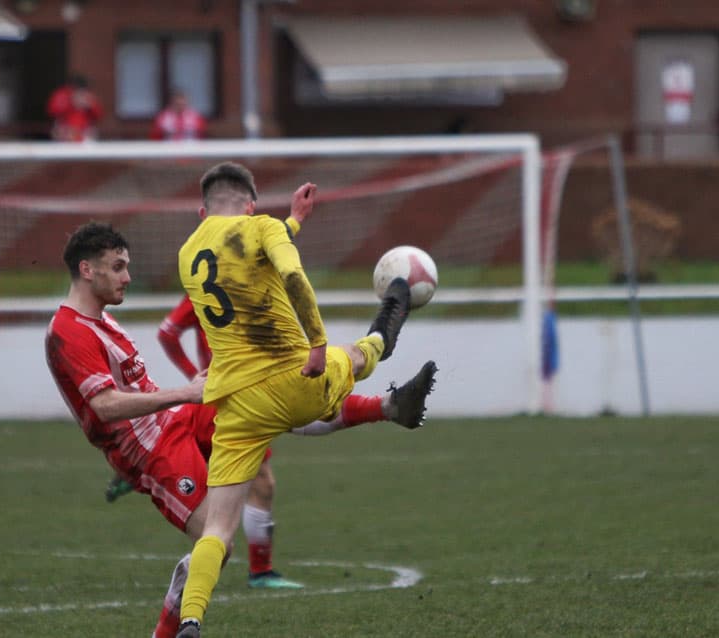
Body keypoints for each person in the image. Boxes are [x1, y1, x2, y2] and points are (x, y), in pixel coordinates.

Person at [46, 222, 436, 638]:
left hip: (173, 418)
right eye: (118, 266)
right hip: (147, 449)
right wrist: (187, 392)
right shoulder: (69, 330)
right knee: (219, 543)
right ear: (87, 270)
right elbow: (104, 407)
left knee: (269, 396)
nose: (127, 276)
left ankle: (389, 407)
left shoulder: (102, 321)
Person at [173, 162, 434, 637]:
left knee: (218, 528)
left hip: (234, 404)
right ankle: (392, 322)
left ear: (201, 210)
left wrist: (293, 222)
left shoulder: (188, 252)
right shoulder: (262, 227)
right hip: (292, 377)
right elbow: (290, 272)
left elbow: (241, 254)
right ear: (252, 205)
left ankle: (191, 616)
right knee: (355, 356)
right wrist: (315, 342)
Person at [46, 74, 102, 142]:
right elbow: (52, 111)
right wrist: (71, 103)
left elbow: (98, 115)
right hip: (65, 131)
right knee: (60, 132)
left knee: (91, 134)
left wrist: (90, 105)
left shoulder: (88, 96)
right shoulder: (62, 94)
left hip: (84, 131)